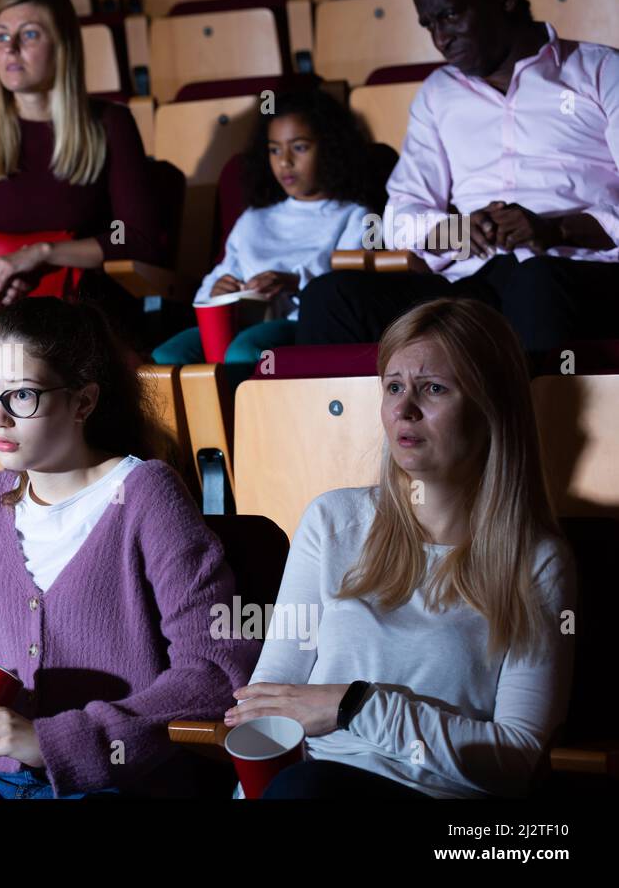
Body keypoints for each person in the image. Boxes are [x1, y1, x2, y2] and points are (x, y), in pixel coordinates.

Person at [0, 297, 259, 798]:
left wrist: (55, 741)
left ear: (83, 402)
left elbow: (216, 669)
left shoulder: (148, 494)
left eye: (21, 396)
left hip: (117, 786)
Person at [229, 298, 574, 798]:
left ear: (490, 407)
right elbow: (267, 703)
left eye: (432, 388)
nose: (402, 408)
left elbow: (517, 758)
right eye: (393, 386)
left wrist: (356, 706)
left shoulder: (538, 561)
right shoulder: (332, 520)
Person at [296, 0, 619, 354]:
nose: (440, 39)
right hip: (473, 284)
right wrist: (457, 230)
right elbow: (399, 219)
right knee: (330, 297)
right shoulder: (438, 94)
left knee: (535, 281)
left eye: (449, 15)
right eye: (429, 24)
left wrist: (555, 228)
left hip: (578, 273)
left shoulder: (601, 71)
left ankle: (525, 422)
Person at [0, 0, 165, 359]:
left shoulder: (110, 123)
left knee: (29, 348)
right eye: (1, 37)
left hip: (82, 293)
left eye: (29, 34)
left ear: (62, 45)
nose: (10, 48)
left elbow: (139, 238)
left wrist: (42, 254)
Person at [151, 89, 376, 371]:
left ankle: (240, 416)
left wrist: (292, 281)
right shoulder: (254, 217)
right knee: (166, 357)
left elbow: (349, 288)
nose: (284, 161)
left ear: (330, 147)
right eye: (274, 149)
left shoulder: (355, 215)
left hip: (297, 323)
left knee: (244, 352)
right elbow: (219, 276)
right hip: (236, 320)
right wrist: (217, 290)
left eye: (300, 147)